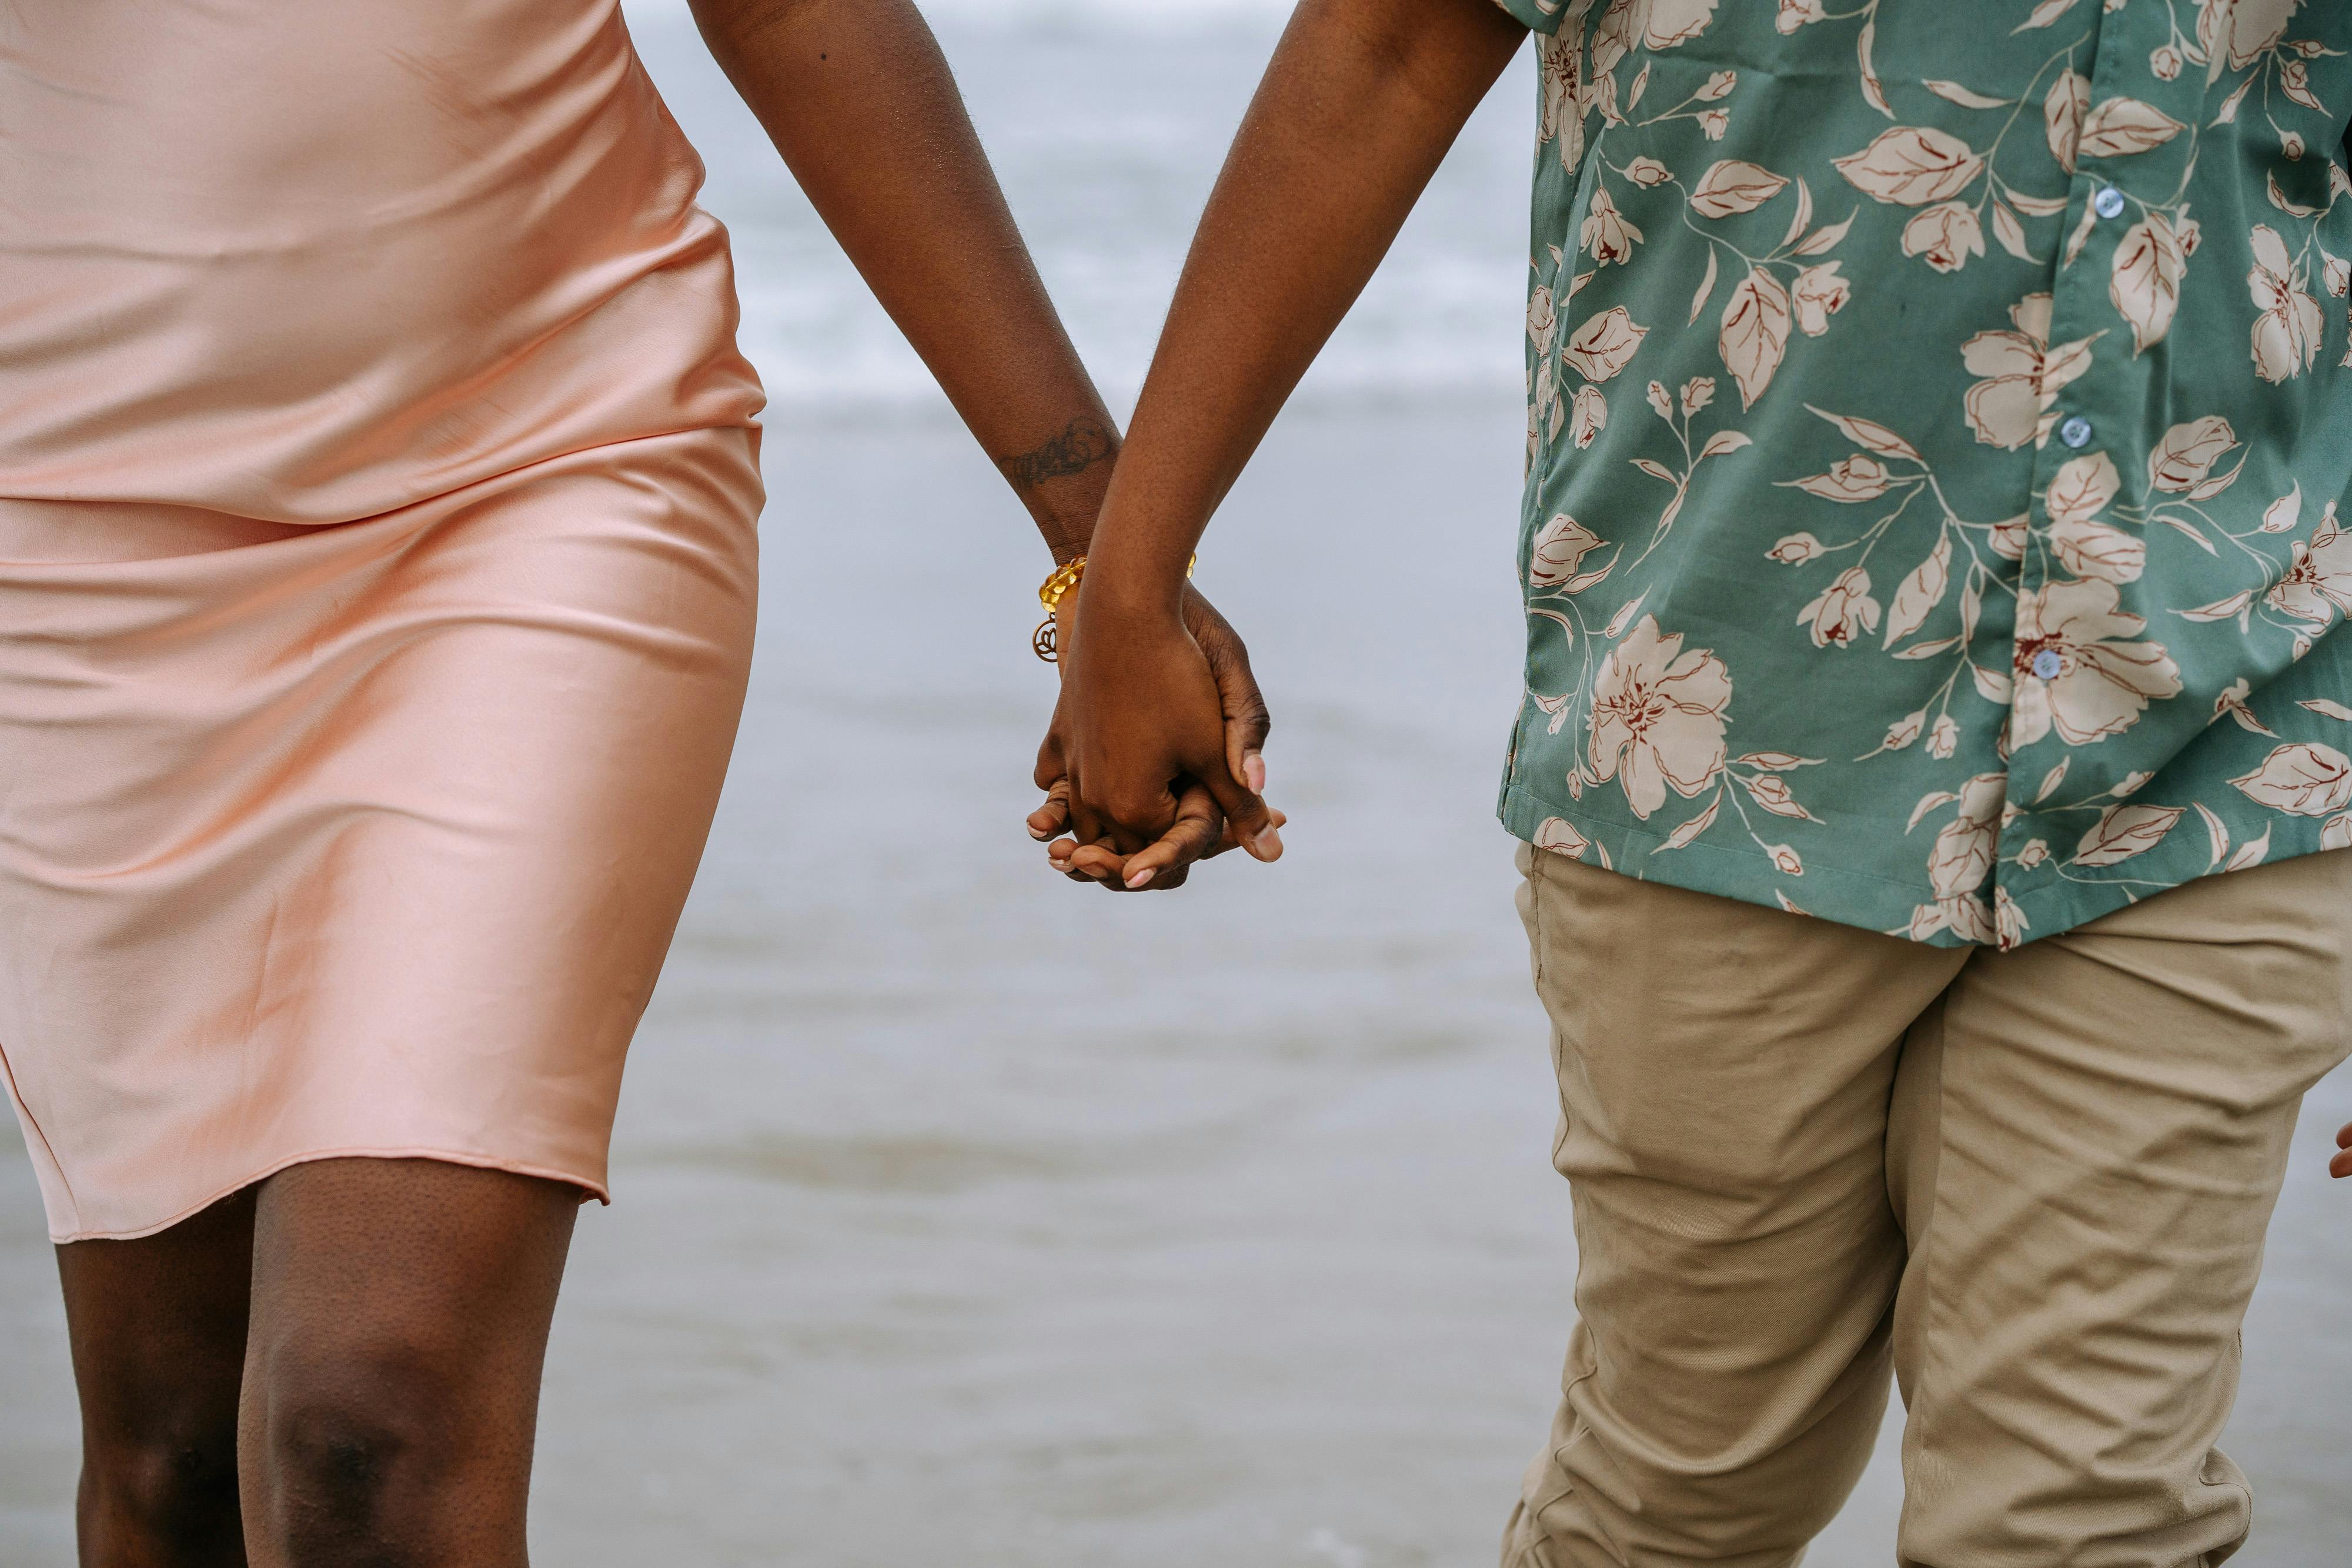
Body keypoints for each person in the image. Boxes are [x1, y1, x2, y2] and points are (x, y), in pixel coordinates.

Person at [1045, 0, 2352, 1560]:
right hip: (1719, 731)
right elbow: (1385, 50)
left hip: (2224, 725)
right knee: (1678, 1501)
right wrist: (1125, 584)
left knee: (2083, 1521)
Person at [0, 0, 1273, 1561]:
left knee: (362, 1426)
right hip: (76, 551)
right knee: (173, 1451)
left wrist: (1104, 554)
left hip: (538, 456)